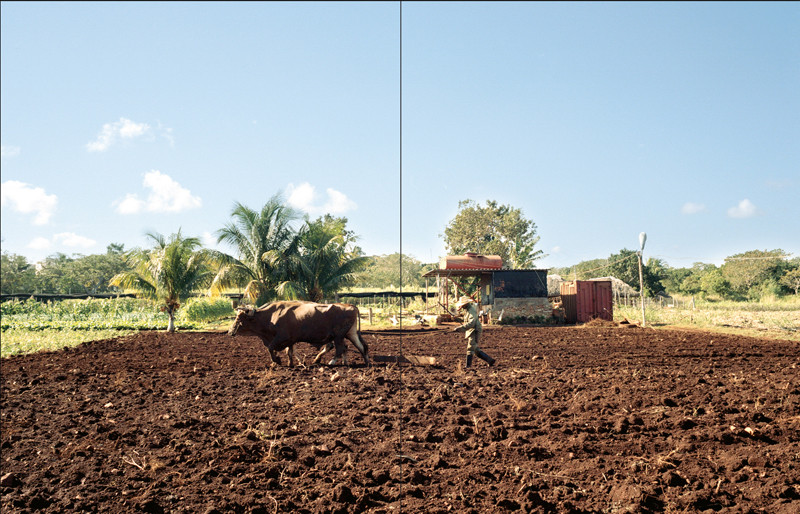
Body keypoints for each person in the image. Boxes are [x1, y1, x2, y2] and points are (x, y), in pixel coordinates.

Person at [451, 296, 495, 369]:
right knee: (475, 349)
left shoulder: (471, 310)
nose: (461, 307)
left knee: (470, 348)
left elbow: (472, 323)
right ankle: (490, 360)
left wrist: (460, 328)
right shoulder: (467, 309)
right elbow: (465, 318)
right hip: (471, 330)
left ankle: (468, 366)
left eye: (462, 305)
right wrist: (457, 318)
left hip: (474, 330)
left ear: (466, 304)